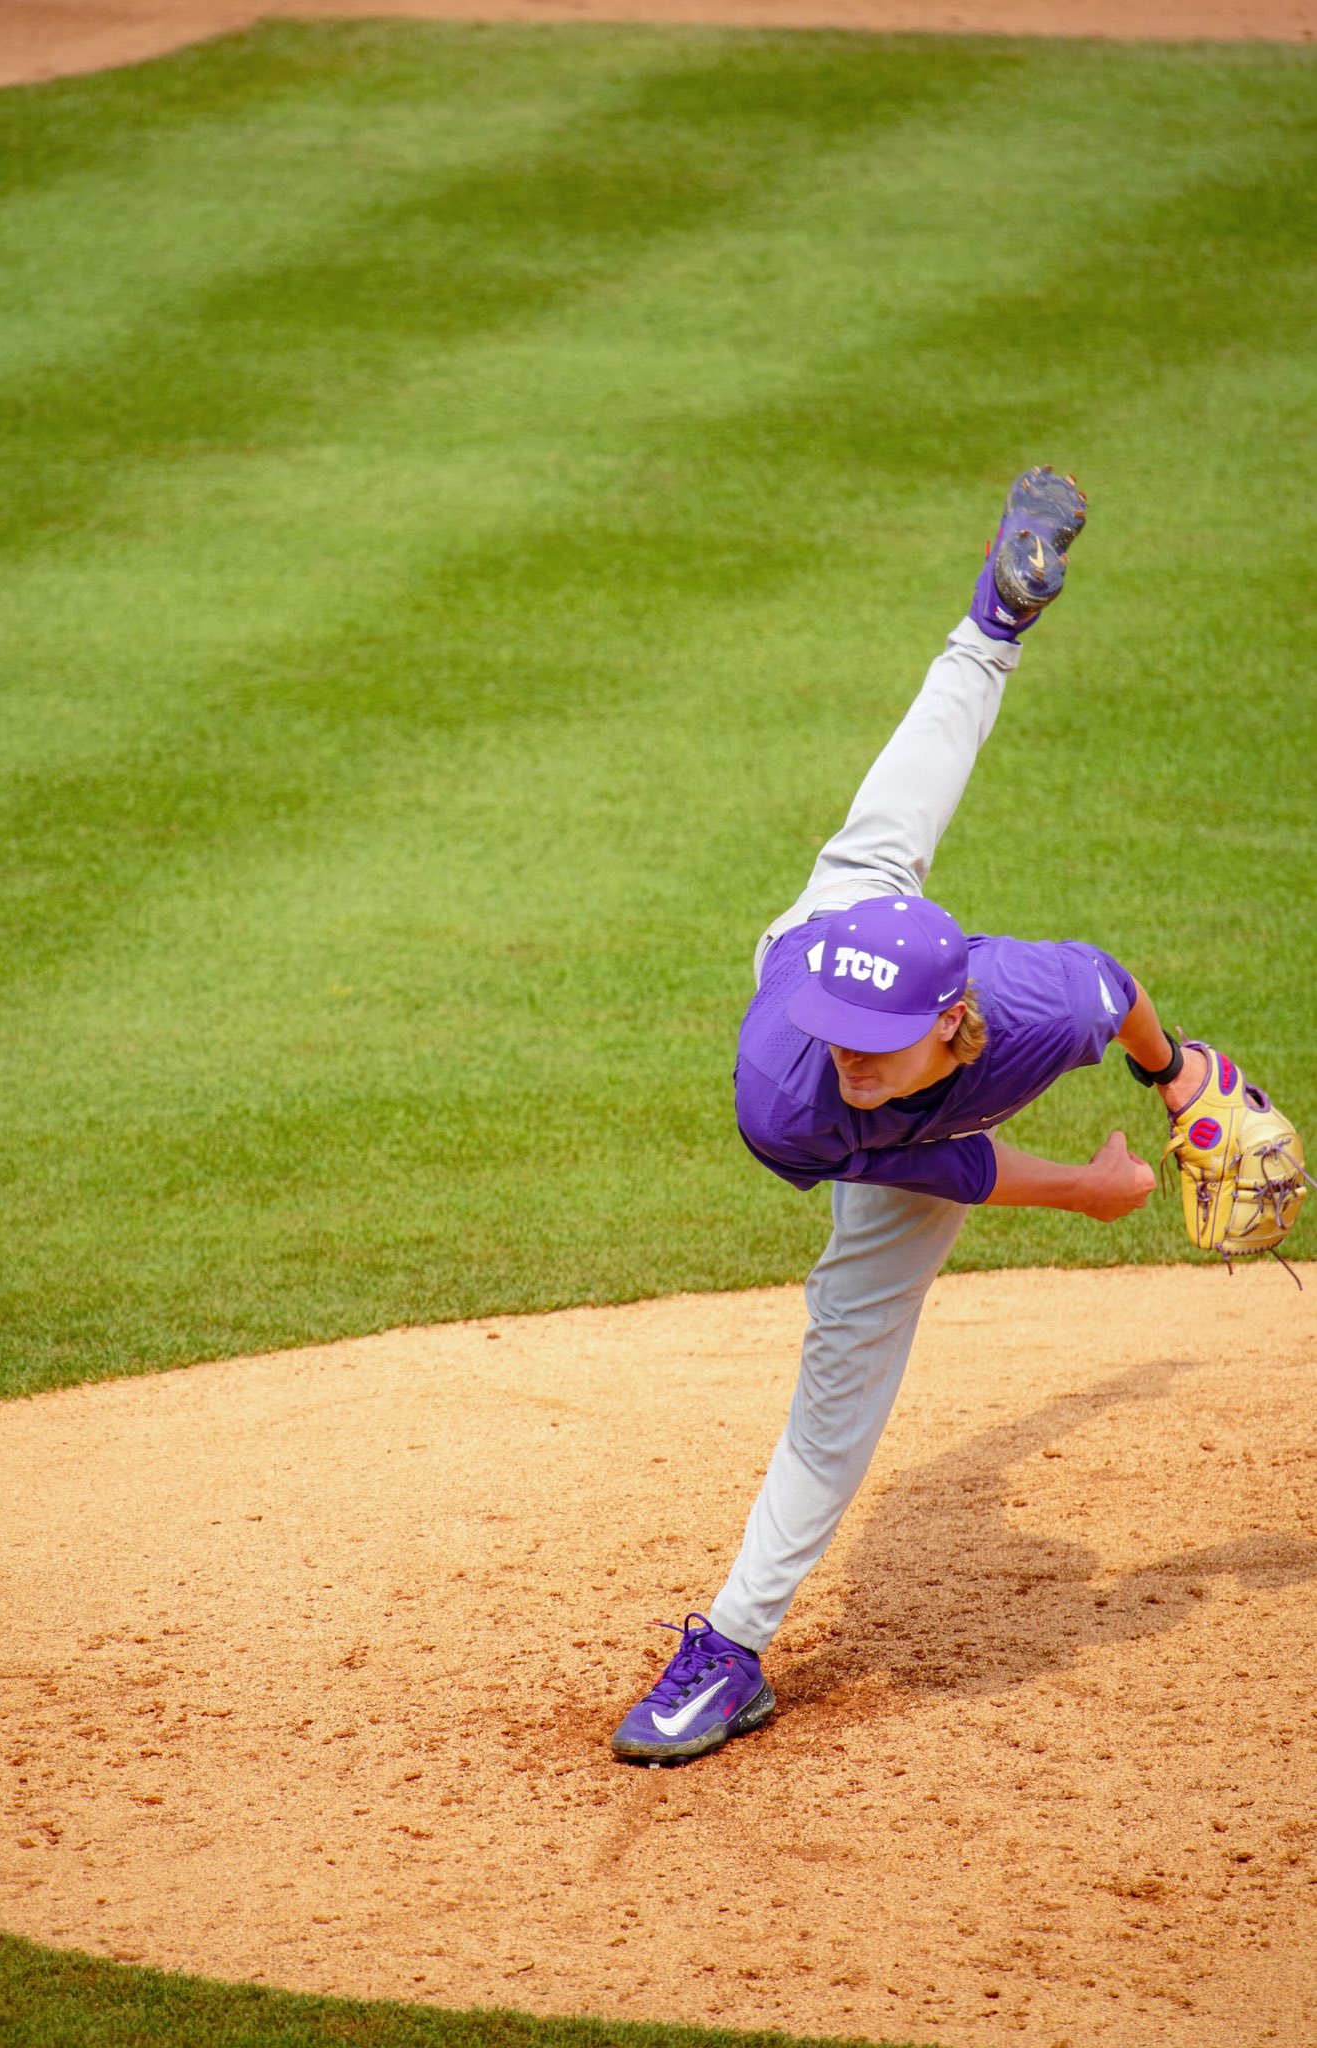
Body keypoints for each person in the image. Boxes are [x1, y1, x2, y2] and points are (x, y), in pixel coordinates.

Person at [610, 467, 1207, 1766]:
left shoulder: (1034, 1007)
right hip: (830, 936)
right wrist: (1092, 1190)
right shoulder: (790, 1086)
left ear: (951, 1025)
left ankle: (728, 1642)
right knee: (880, 833)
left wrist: (1177, 1078)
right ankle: (987, 624)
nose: (853, 1060)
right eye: (845, 1040)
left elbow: (1114, 992)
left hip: (945, 976)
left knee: (840, 1381)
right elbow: (959, 1168)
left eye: (881, 1046)